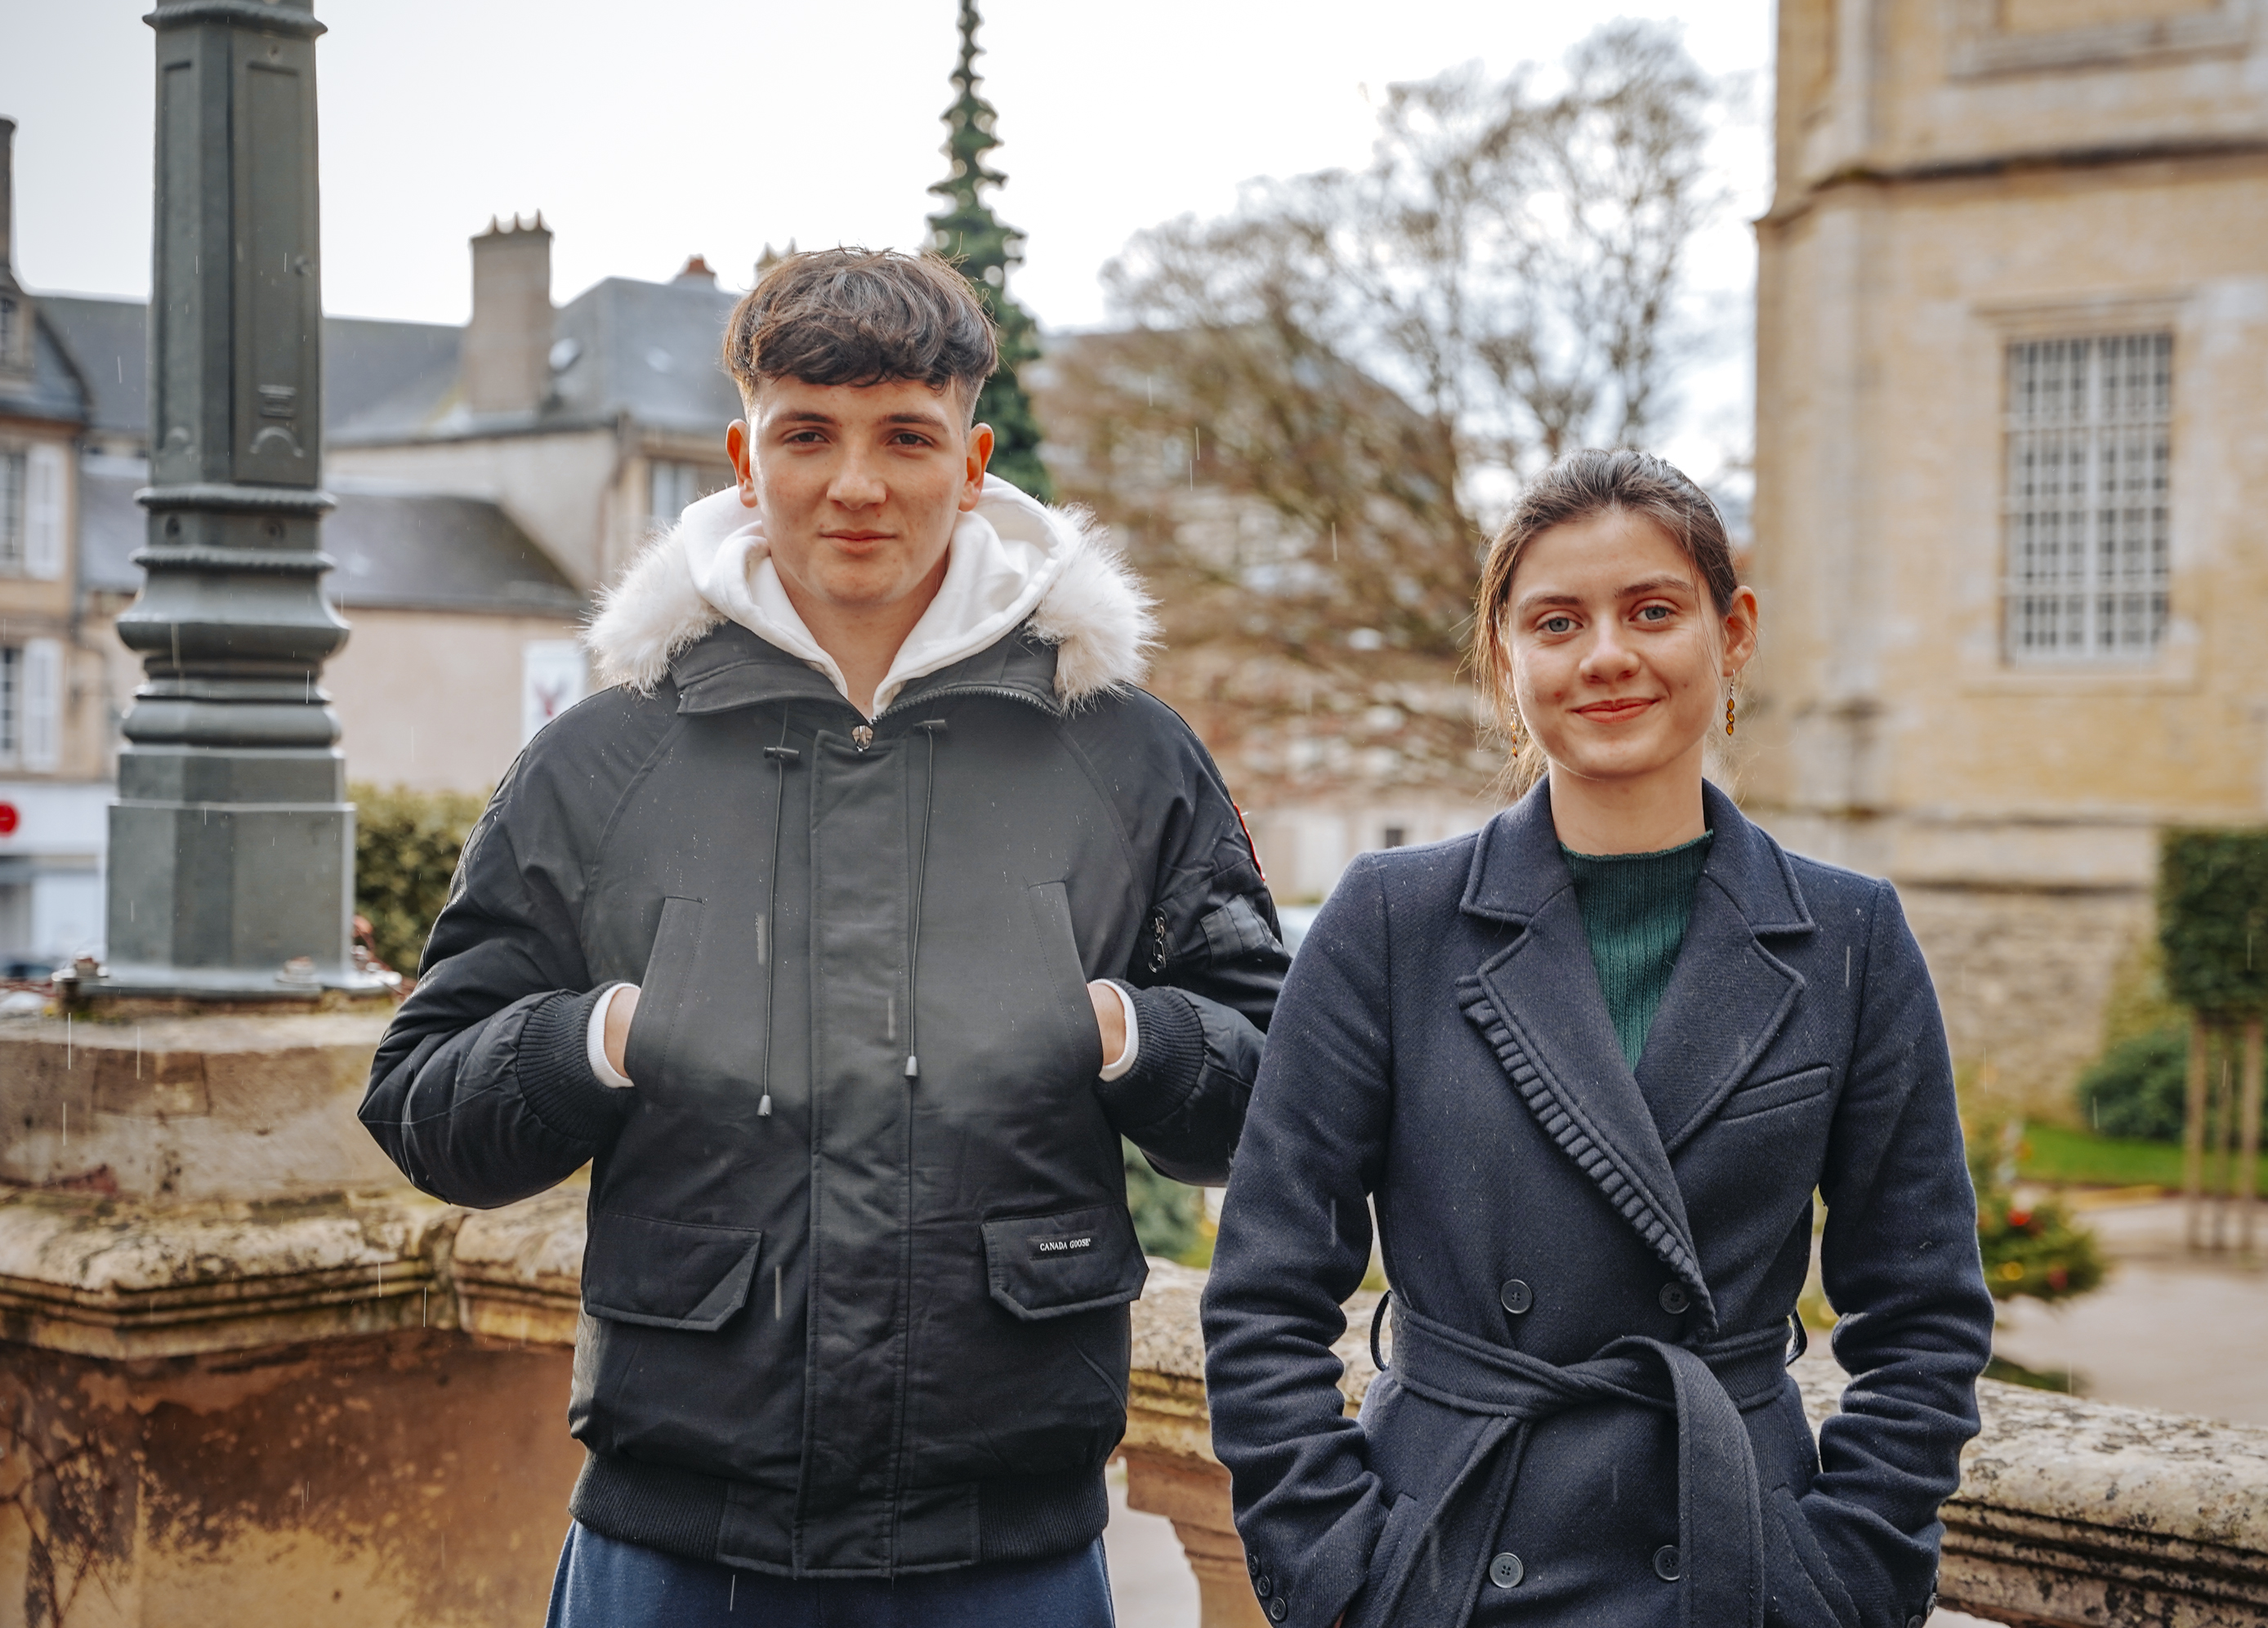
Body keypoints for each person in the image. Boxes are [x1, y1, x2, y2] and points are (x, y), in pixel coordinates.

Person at [360, 248, 1285, 1626]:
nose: (857, 484)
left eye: (905, 437)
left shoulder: (1127, 757)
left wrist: (1121, 1030)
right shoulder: (599, 762)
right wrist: (608, 1034)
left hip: (1010, 1556)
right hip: (674, 1555)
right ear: (746, 461)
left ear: (971, 463)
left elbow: (1273, 1102)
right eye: (809, 435)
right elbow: (424, 1110)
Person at [1201, 448, 1991, 1628]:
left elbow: (1923, 1313)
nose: (1607, 654)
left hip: (1734, 1567)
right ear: (1506, 657)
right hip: (1452, 1562)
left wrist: (1844, 1579)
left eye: (1653, 611)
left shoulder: (1849, 937)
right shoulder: (1391, 922)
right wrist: (1340, 1576)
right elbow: (1265, 1293)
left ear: (1733, 634)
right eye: (1558, 622)